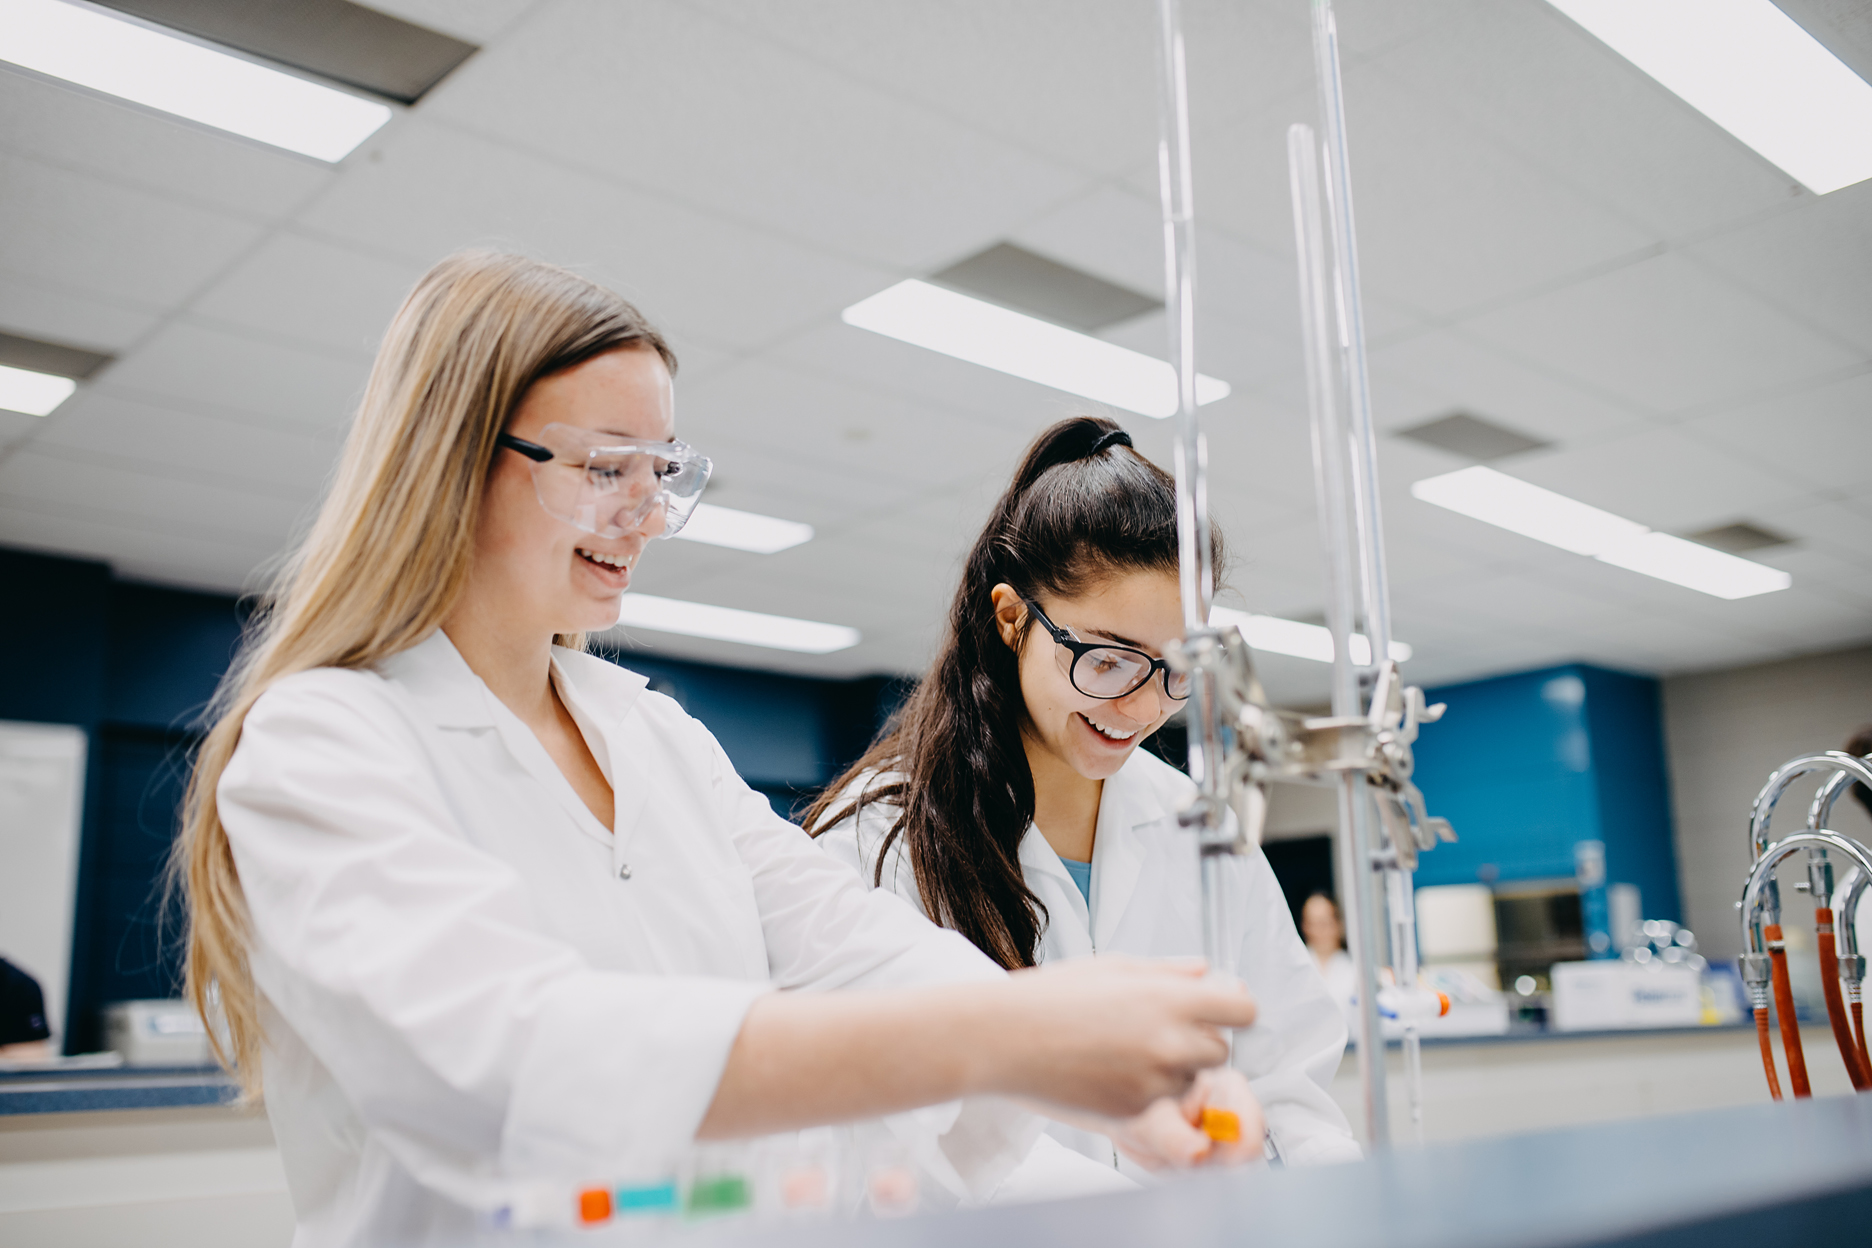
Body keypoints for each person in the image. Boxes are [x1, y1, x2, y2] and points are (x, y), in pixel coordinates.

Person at [171, 253, 1260, 1243]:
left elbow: (853, 946)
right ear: (451, 458)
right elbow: (506, 1072)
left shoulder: (651, 736)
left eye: (663, 469)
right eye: (606, 469)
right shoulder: (324, 744)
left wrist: (1081, 1065)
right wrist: (1013, 1044)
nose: (646, 514)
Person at [807, 416, 1361, 1173]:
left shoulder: (1198, 825)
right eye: (1106, 663)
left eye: (1176, 672)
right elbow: (888, 1133)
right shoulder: (882, 839)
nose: (1140, 708)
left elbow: (1291, 1081)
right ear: (1011, 619)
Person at [1301, 893, 1356, 1021]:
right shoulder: (1297, 968)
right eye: (1312, 924)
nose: (1318, 931)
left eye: (1323, 923)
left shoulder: (1353, 971)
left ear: (1337, 924)